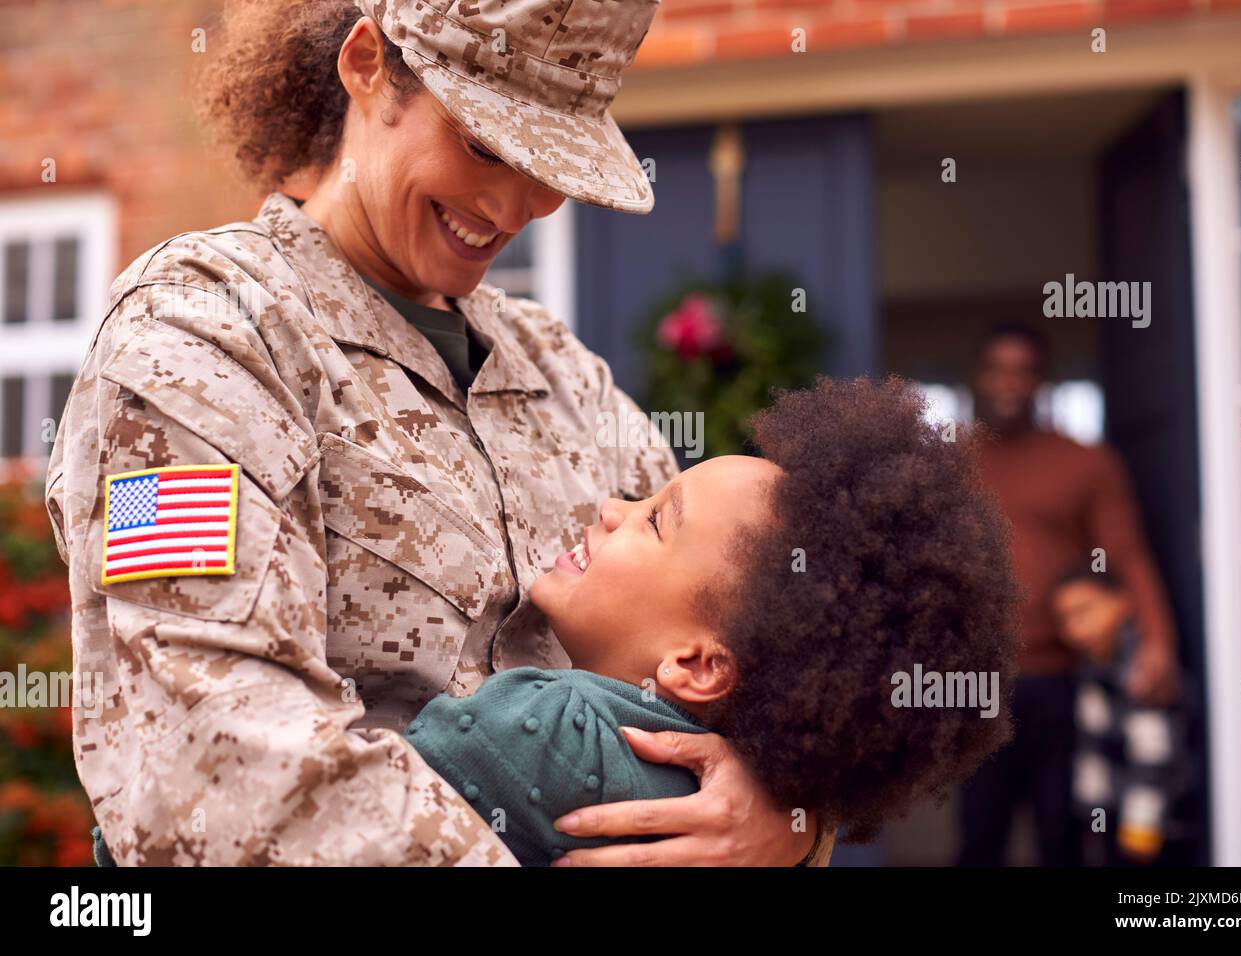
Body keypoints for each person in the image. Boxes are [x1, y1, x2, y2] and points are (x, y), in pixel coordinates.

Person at [48, 0, 831, 866]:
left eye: (552, 163)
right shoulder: (199, 335)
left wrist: (788, 821)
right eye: (487, 145)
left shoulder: (561, 374)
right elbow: (207, 759)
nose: (520, 203)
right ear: (366, 67)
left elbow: (740, 638)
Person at [401, 376, 1019, 866]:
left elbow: (358, 781)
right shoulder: (698, 782)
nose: (612, 507)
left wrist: (798, 825)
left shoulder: (547, 731)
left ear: (697, 665)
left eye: (653, 521)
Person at [956, 324, 1179, 867]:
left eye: (1023, 370)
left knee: (1064, 836)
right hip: (976, 684)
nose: (1009, 382)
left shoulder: (1085, 462)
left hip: (1065, 681)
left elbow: (1128, 556)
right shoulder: (952, 462)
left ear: (1042, 381)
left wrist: (1158, 642)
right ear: (980, 378)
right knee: (980, 837)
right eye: (997, 368)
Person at [1051, 566, 1192, 866]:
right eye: (1065, 620)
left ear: (1122, 602)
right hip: (1118, 817)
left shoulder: (1144, 669)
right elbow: (1094, 749)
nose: (1075, 629)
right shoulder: (1092, 666)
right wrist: (1093, 814)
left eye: (1084, 612)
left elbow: (1155, 755)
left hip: (1156, 824)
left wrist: (1141, 827)